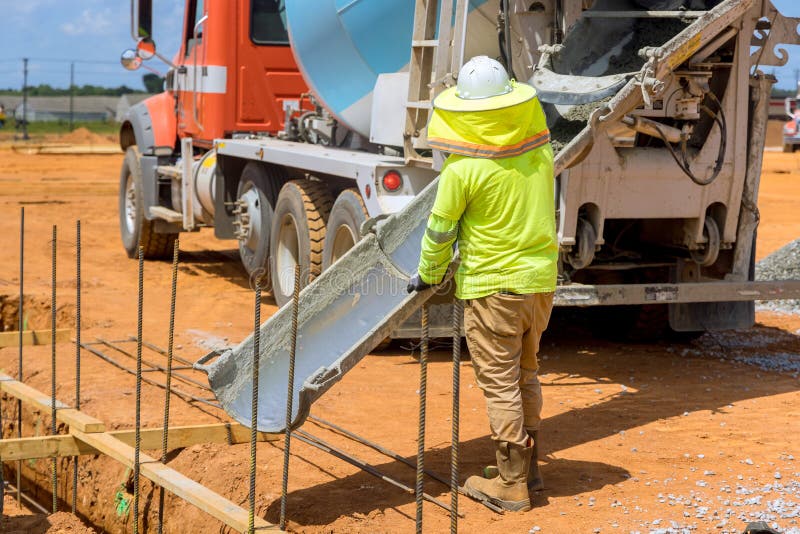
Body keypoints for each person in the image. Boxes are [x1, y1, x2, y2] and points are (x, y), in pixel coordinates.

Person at [407, 56, 557, 512]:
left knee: (500, 384)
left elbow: (438, 233)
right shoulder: (540, 153)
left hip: (493, 290)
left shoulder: (460, 170)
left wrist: (427, 279)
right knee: (527, 374)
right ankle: (527, 472)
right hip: (540, 285)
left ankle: (511, 485)